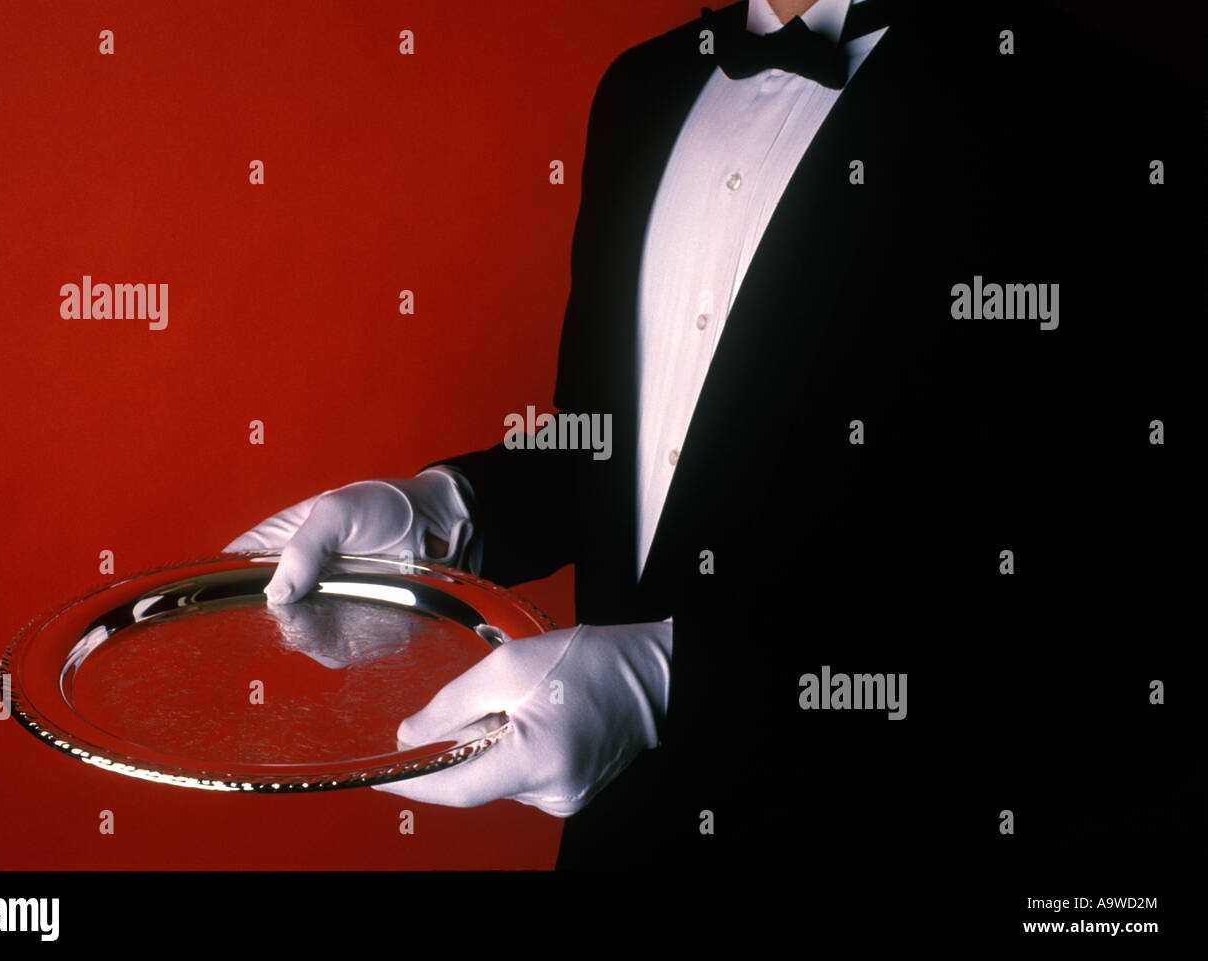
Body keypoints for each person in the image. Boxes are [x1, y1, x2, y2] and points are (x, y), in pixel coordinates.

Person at [228, 0, 1202, 880]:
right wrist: (442, 515)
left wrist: (684, 682)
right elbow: (607, 442)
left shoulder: (1098, 114)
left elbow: (1109, 607)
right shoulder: (641, 87)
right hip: (624, 847)